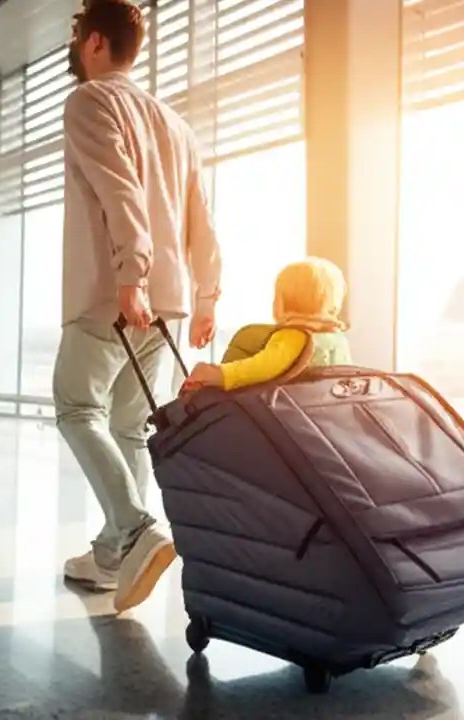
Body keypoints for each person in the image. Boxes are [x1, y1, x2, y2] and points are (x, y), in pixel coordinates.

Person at [55, 0, 220, 613]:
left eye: (78, 42)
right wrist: (206, 295)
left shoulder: (90, 102)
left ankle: (133, 530)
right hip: (171, 299)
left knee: (75, 406)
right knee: (127, 424)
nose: (78, 54)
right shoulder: (177, 126)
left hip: (116, 290)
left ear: (95, 43)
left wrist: (131, 274)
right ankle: (107, 557)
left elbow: (119, 191)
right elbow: (202, 221)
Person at [182, 258, 350, 393]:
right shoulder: (336, 338)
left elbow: (261, 368)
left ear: (282, 302)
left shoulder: (295, 336)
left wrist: (216, 374)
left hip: (285, 422)